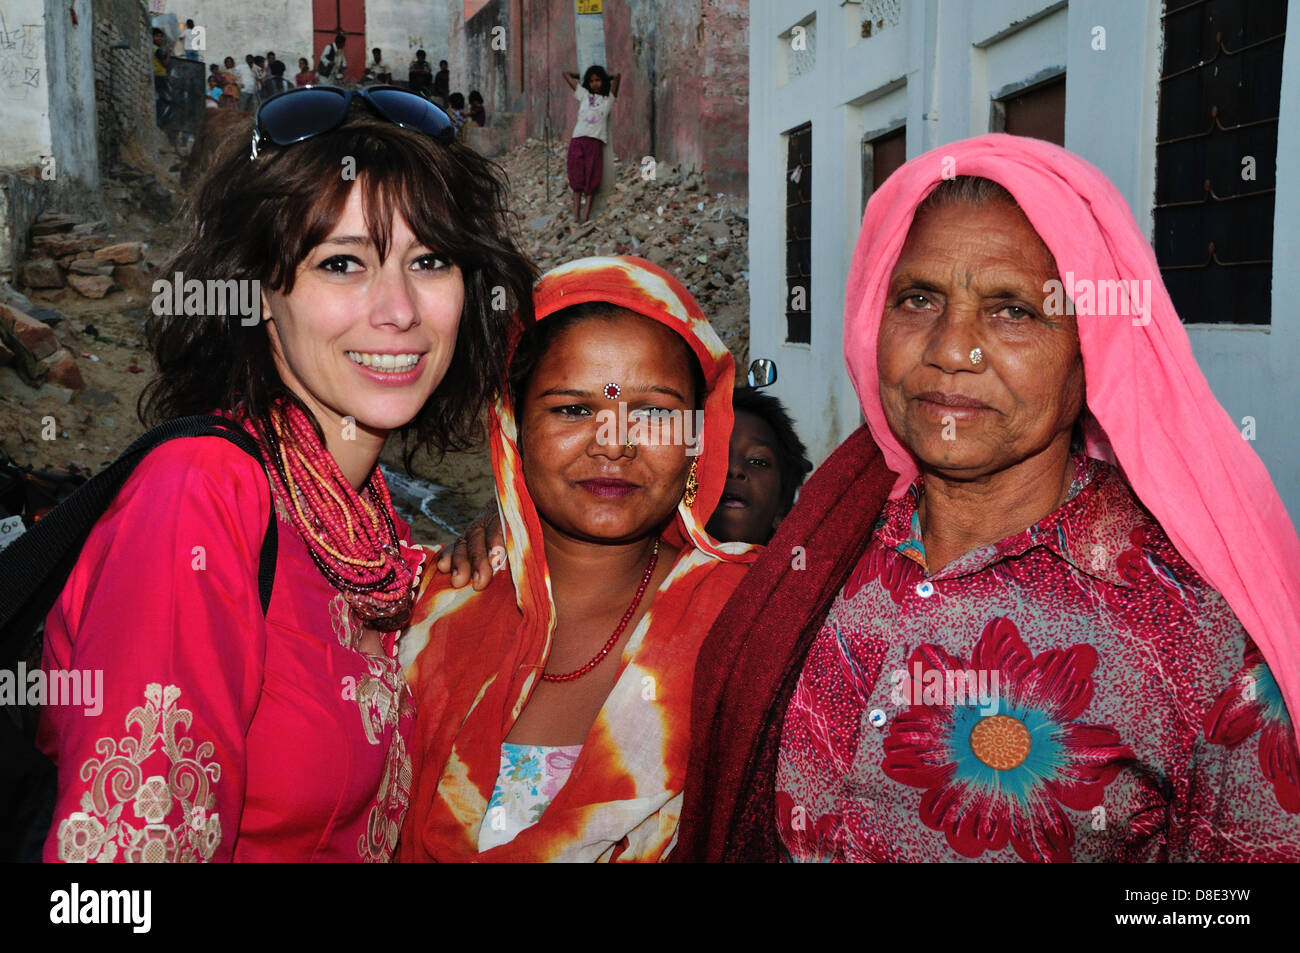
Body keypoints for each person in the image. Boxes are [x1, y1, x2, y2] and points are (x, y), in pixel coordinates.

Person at [676, 133, 1300, 863]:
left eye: (1012, 311)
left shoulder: (1196, 630)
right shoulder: (830, 533)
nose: (952, 348)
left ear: (1090, 343)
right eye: (918, 299)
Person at [37, 86, 534, 862]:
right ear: (262, 292)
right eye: (343, 263)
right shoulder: (199, 497)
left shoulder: (361, 517)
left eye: (428, 260)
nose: (399, 309)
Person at [399, 256, 758, 862]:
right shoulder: (426, 610)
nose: (613, 442)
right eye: (572, 409)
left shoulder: (753, 618)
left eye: (653, 412)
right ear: (513, 424)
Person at [706, 387, 810, 546]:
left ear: (782, 507)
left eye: (758, 461)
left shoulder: (798, 567)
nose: (735, 469)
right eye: (717, 455)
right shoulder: (663, 568)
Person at [563, 65, 620, 224]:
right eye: (592, 80)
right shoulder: (584, 95)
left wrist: (609, 77)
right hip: (578, 140)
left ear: (603, 81)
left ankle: (585, 217)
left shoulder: (608, 99)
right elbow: (565, 74)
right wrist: (578, 75)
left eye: (598, 80)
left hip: (594, 142)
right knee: (576, 179)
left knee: (591, 179)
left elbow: (617, 78)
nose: (595, 83)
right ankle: (576, 217)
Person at [151, 28, 171, 126]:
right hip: (160, 76)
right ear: (152, 37)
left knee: (159, 98)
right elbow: (165, 63)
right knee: (170, 100)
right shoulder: (156, 50)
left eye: (161, 37)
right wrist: (168, 55)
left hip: (155, 76)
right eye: (157, 36)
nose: (160, 39)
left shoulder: (151, 48)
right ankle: (160, 121)